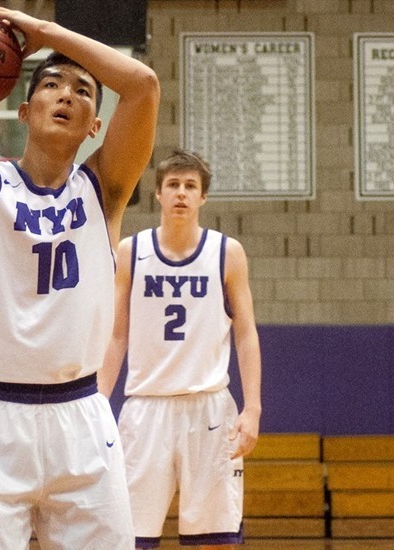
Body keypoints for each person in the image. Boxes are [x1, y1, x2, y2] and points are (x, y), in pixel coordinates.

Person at [0, 5, 160, 549]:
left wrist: (43, 33)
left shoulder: (105, 188)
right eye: (51, 84)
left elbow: (141, 85)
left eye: (84, 90)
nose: (67, 93)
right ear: (23, 111)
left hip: (81, 416)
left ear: (96, 125)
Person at [99, 150, 262, 549]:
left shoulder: (228, 253)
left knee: (216, 539)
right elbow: (116, 335)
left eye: (191, 186)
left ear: (203, 197)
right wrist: (98, 404)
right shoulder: (130, 252)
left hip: (208, 407)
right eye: (173, 185)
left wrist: (252, 408)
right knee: (129, 537)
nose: (181, 194)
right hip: (145, 409)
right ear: (157, 193)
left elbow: (246, 334)